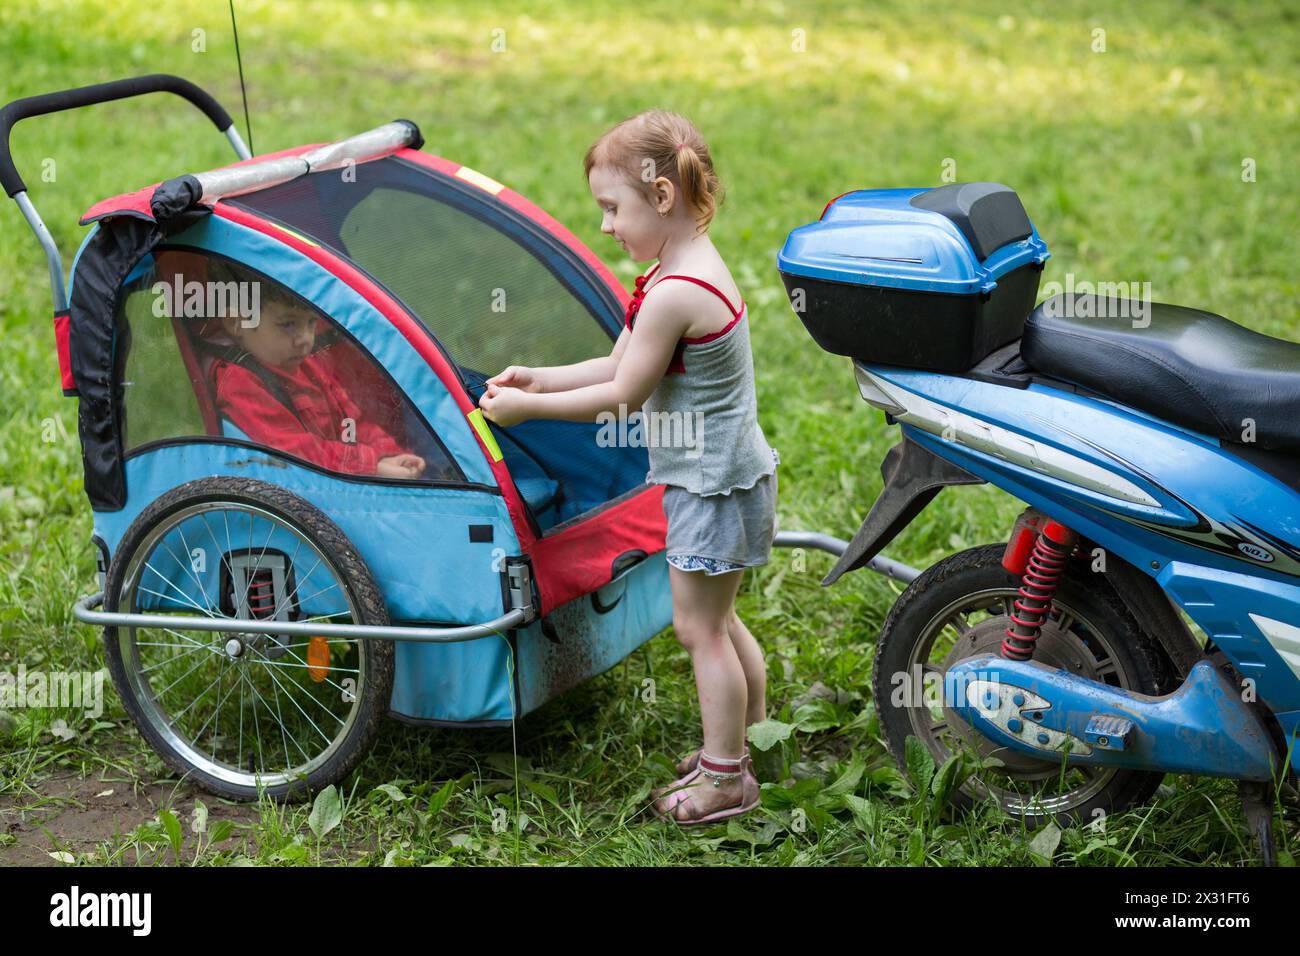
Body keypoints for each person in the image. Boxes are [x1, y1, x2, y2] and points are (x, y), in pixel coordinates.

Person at [478, 109, 779, 825]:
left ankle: (726, 779)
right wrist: (539, 379)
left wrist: (528, 415)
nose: (607, 225)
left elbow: (622, 394)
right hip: (721, 475)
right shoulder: (675, 269)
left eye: (613, 207)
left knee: (699, 629)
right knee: (720, 619)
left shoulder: (678, 290)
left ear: (663, 198)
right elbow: (616, 361)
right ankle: (748, 739)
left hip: (713, 486)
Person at [210, 287, 426, 479]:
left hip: (340, 476)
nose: (305, 338)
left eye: (311, 322)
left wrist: (390, 453)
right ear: (236, 322)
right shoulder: (240, 382)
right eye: (287, 325)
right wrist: (372, 466)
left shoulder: (306, 364)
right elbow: (295, 452)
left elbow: (351, 420)